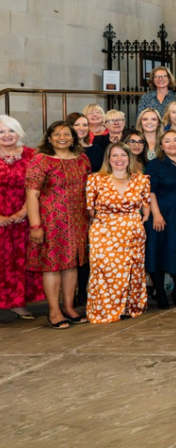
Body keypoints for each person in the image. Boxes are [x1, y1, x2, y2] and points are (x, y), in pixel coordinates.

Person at [25, 121, 91, 328]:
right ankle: (54, 312)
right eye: (57, 134)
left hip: (78, 221)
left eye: (67, 134)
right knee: (52, 267)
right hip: (51, 222)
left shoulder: (82, 159)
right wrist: (35, 226)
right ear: (49, 138)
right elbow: (32, 194)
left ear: (73, 138)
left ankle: (69, 308)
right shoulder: (40, 161)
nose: (62, 137)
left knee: (71, 265)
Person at [84, 143, 151, 323]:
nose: (119, 159)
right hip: (104, 230)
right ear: (108, 158)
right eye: (115, 155)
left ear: (129, 158)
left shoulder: (142, 180)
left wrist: (143, 218)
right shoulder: (95, 180)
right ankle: (105, 309)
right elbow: (90, 209)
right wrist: (106, 221)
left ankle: (129, 306)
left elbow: (146, 204)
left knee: (132, 270)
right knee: (105, 270)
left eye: (123, 155)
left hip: (132, 231)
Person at [144, 130, 176, 309]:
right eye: (167, 141)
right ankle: (161, 294)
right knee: (157, 252)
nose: (172, 144)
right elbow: (150, 191)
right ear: (161, 145)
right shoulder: (154, 165)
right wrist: (156, 214)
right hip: (161, 213)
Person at [0, 116, 42, 319]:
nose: (7, 135)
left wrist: (24, 211)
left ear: (19, 133)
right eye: (1, 132)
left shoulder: (31, 155)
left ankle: (18, 303)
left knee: (20, 260)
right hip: (0, 216)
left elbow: (37, 185)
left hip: (24, 214)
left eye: (11, 131)